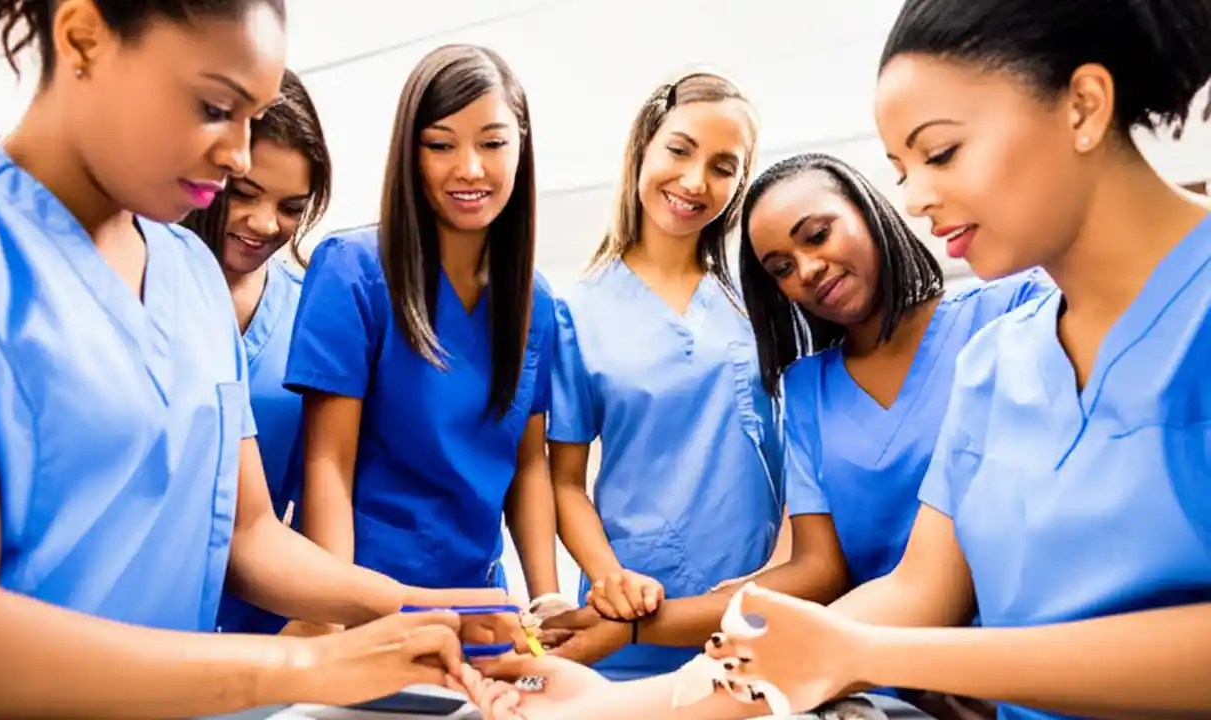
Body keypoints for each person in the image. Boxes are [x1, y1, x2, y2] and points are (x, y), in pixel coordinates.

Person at [477, 0, 1211, 718]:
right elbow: (915, 589)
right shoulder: (997, 363)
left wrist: (868, 656)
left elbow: (865, 636)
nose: (919, 198)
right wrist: (622, 705)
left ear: (1083, 106)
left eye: (942, 152)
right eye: (902, 168)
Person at [0, 2, 509, 715]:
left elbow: (249, 533)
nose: (239, 153)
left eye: (252, 116)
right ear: (83, 40)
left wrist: (416, 608)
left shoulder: (189, 271)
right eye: (214, 106)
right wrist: (305, 664)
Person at [546, 154, 1047, 703]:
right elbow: (818, 571)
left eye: (818, 235)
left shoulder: (1012, 312)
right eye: (780, 268)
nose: (806, 269)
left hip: (1024, 656)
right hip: (877, 686)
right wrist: (635, 625)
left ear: (867, 209)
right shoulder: (808, 389)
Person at [286, 44, 561, 606]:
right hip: (366, 596)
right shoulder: (353, 271)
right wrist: (339, 611)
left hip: (480, 605)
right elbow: (327, 463)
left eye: (492, 143)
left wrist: (547, 599)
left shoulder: (535, 302)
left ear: (521, 145)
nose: (470, 168)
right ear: (411, 154)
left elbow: (530, 467)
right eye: (441, 145)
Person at [547, 70, 786, 680]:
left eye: (723, 166)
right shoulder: (576, 311)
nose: (694, 181)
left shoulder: (763, 302)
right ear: (643, 149)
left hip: (759, 619)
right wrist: (609, 577)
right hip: (630, 624)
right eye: (679, 150)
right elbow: (564, 481)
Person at [182, 67, 330, 635]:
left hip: (267, 628)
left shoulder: (311, 315)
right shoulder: (148, 288)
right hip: (140, 621)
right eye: (244, 194)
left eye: (291, 206)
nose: (264, 223)